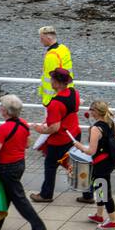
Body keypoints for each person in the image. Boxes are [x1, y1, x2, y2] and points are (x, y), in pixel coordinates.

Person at [0, 94, 48, 230]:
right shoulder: (23, 123)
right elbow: (27, 144)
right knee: (7, 194)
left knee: (19, 199)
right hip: (19, 164)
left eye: (1, 107)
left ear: (5, 111)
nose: (0, 109)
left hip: (7, 167)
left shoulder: (2, 129)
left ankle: (39, 228)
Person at [29, 67, 80, 203]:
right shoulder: (74, 93)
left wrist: (40, 129)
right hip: (74, 134)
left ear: (57, 83)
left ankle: (46, 194)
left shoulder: (55, 103)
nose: (50, 81)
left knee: (50, 165)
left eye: (52, 79)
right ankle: (88, 193)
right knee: (74, 164)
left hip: (60, 140)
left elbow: (54, 128)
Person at [71, 100, 115, 230]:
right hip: (110, 160)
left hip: (101, 163)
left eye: (91, 109)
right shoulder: (109, 122)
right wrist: (107, 144)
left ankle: (113, 221)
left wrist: (78, 145)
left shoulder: (96, 128)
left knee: (104, 191)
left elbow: (90, 151)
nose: (89, 111)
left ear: (96, 112)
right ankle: (99, 215)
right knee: (100, 187)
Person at [37, 26, 73, 107]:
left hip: (54, 98)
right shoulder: (64, 49)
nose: (41, 41)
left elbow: (52, 79)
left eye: (42, 38)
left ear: (48, 38)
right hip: (68, 92)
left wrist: (47, 101)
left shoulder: (52, 55)